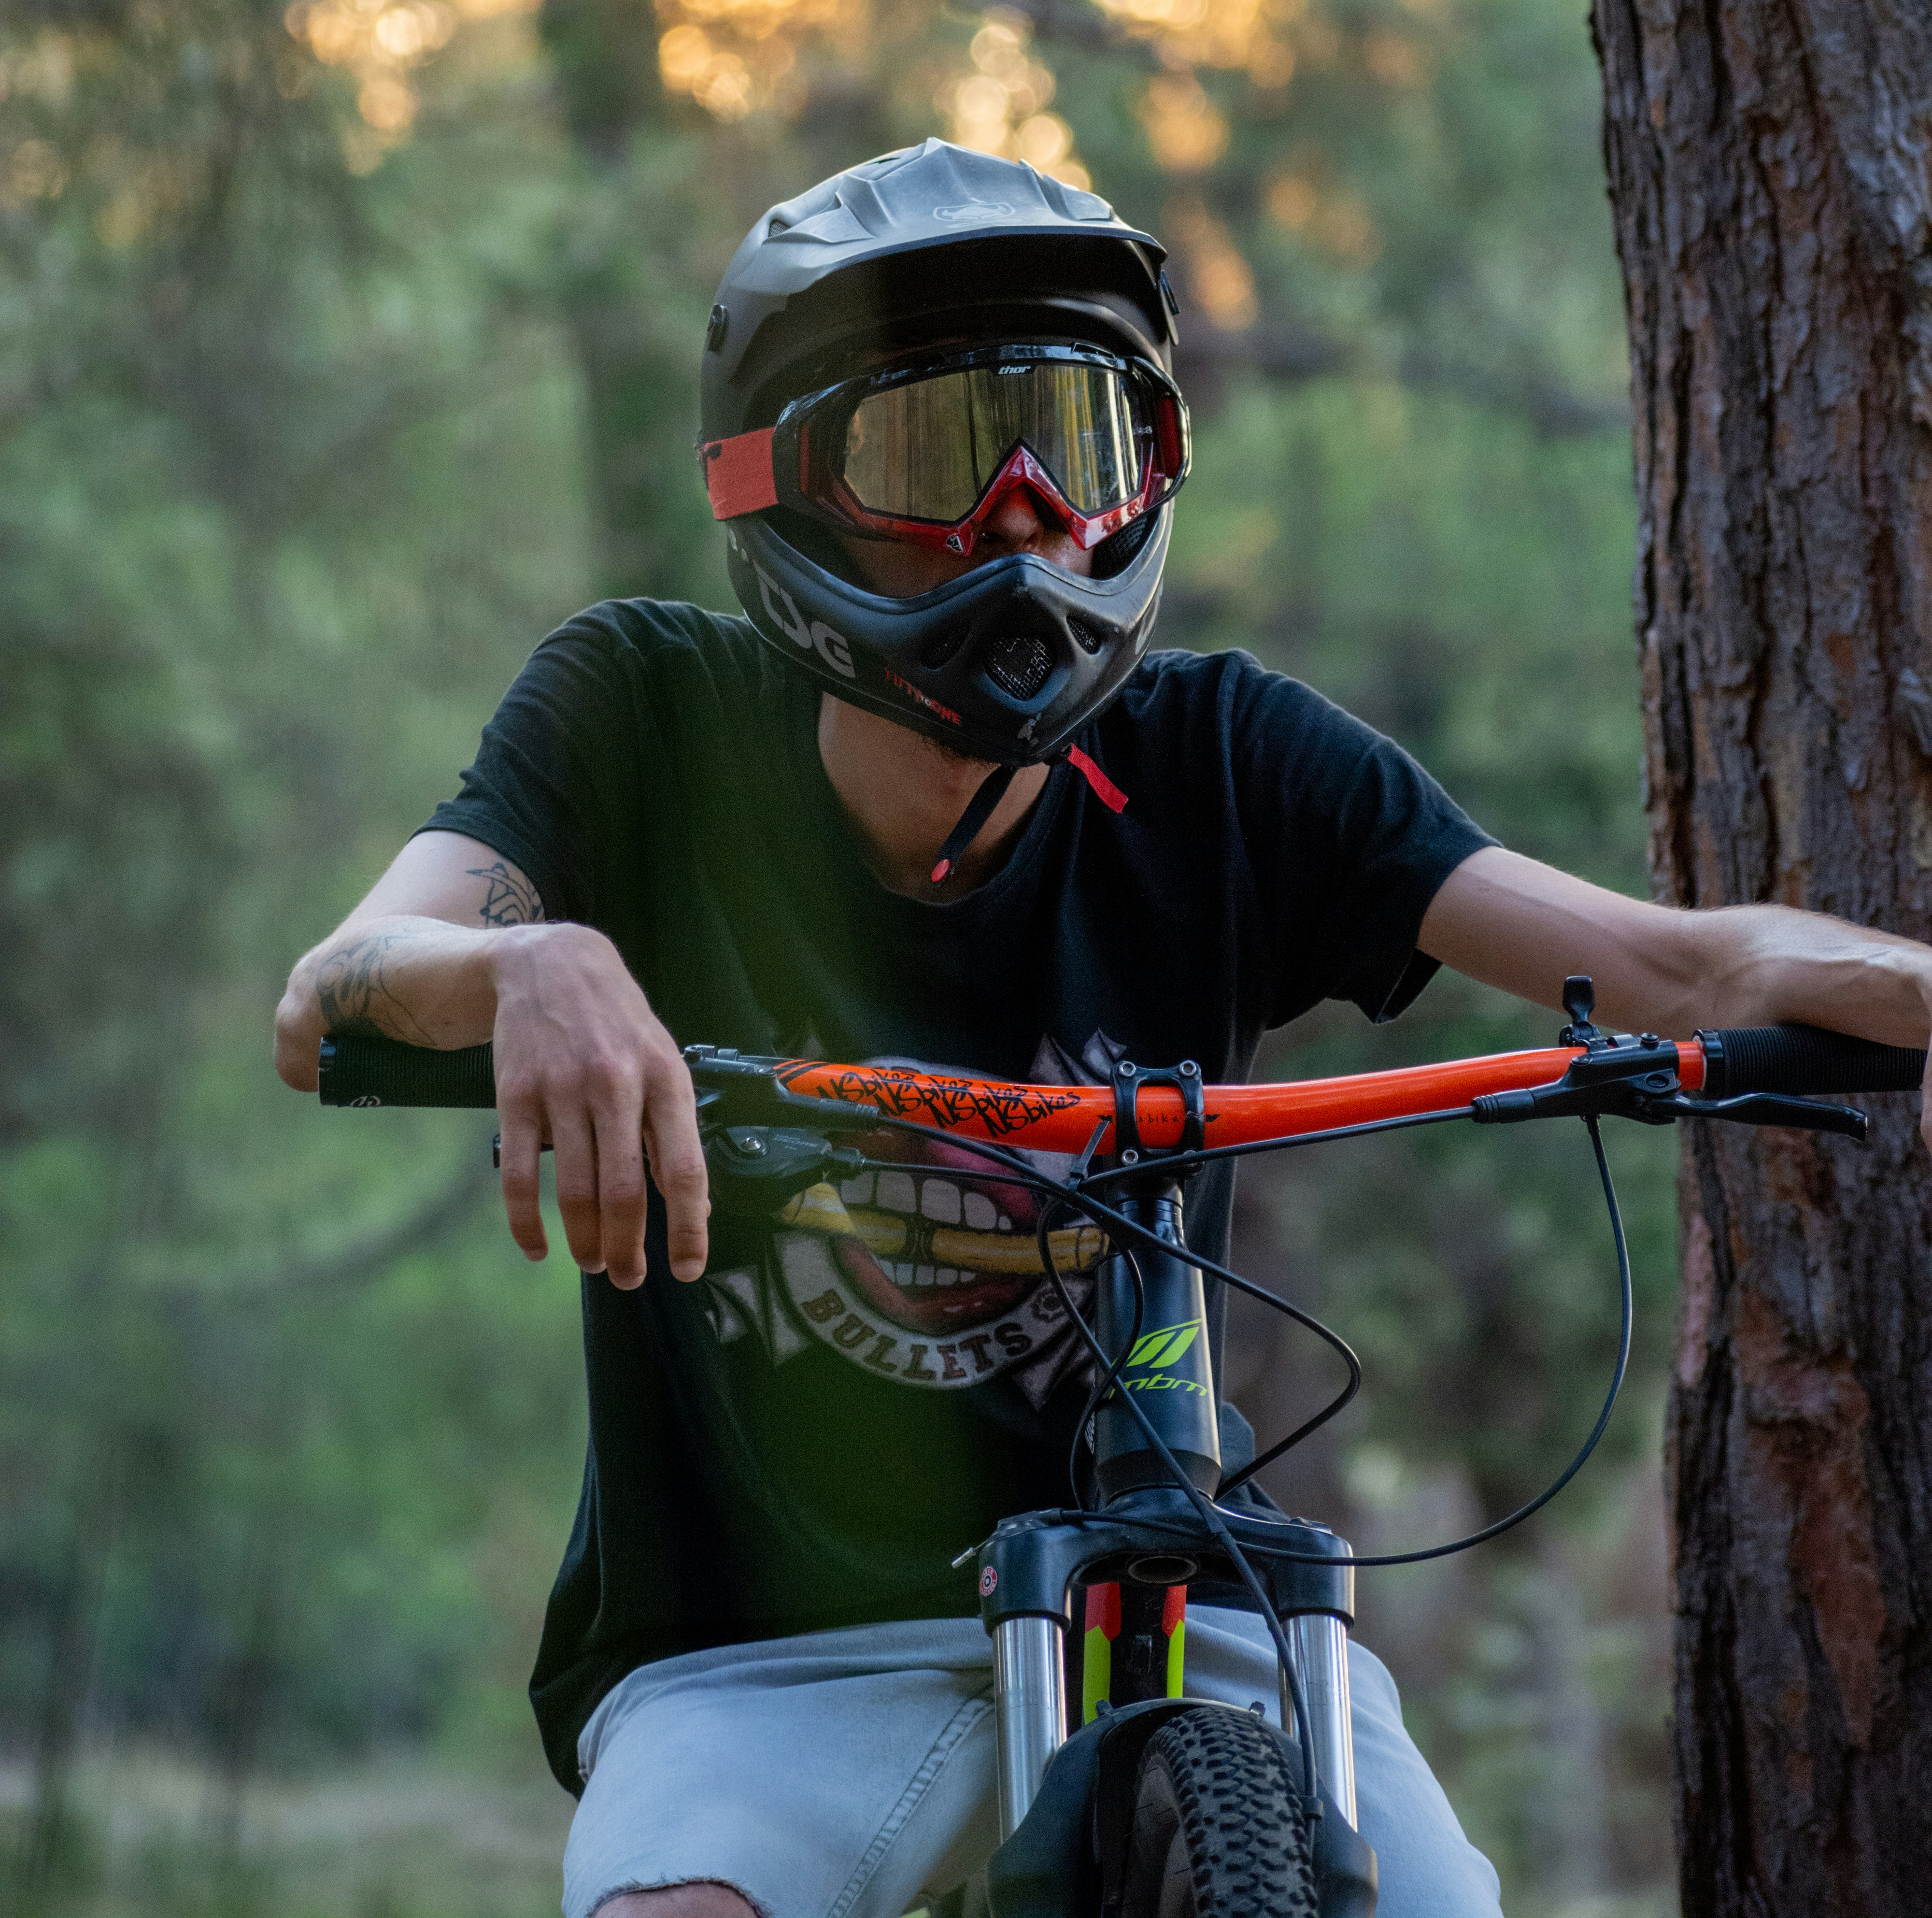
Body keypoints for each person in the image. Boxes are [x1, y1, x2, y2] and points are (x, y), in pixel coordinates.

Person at [274, 139, 1932, 1918]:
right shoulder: (643, 716)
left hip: (1190, 1599)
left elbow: (1677, 969)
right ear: (778, 490)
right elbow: (332, 996)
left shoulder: (1230, 759)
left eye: (1078, 451)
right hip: (763, 1652)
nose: (1022, 518)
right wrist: (535, 968)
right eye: (932, 455)